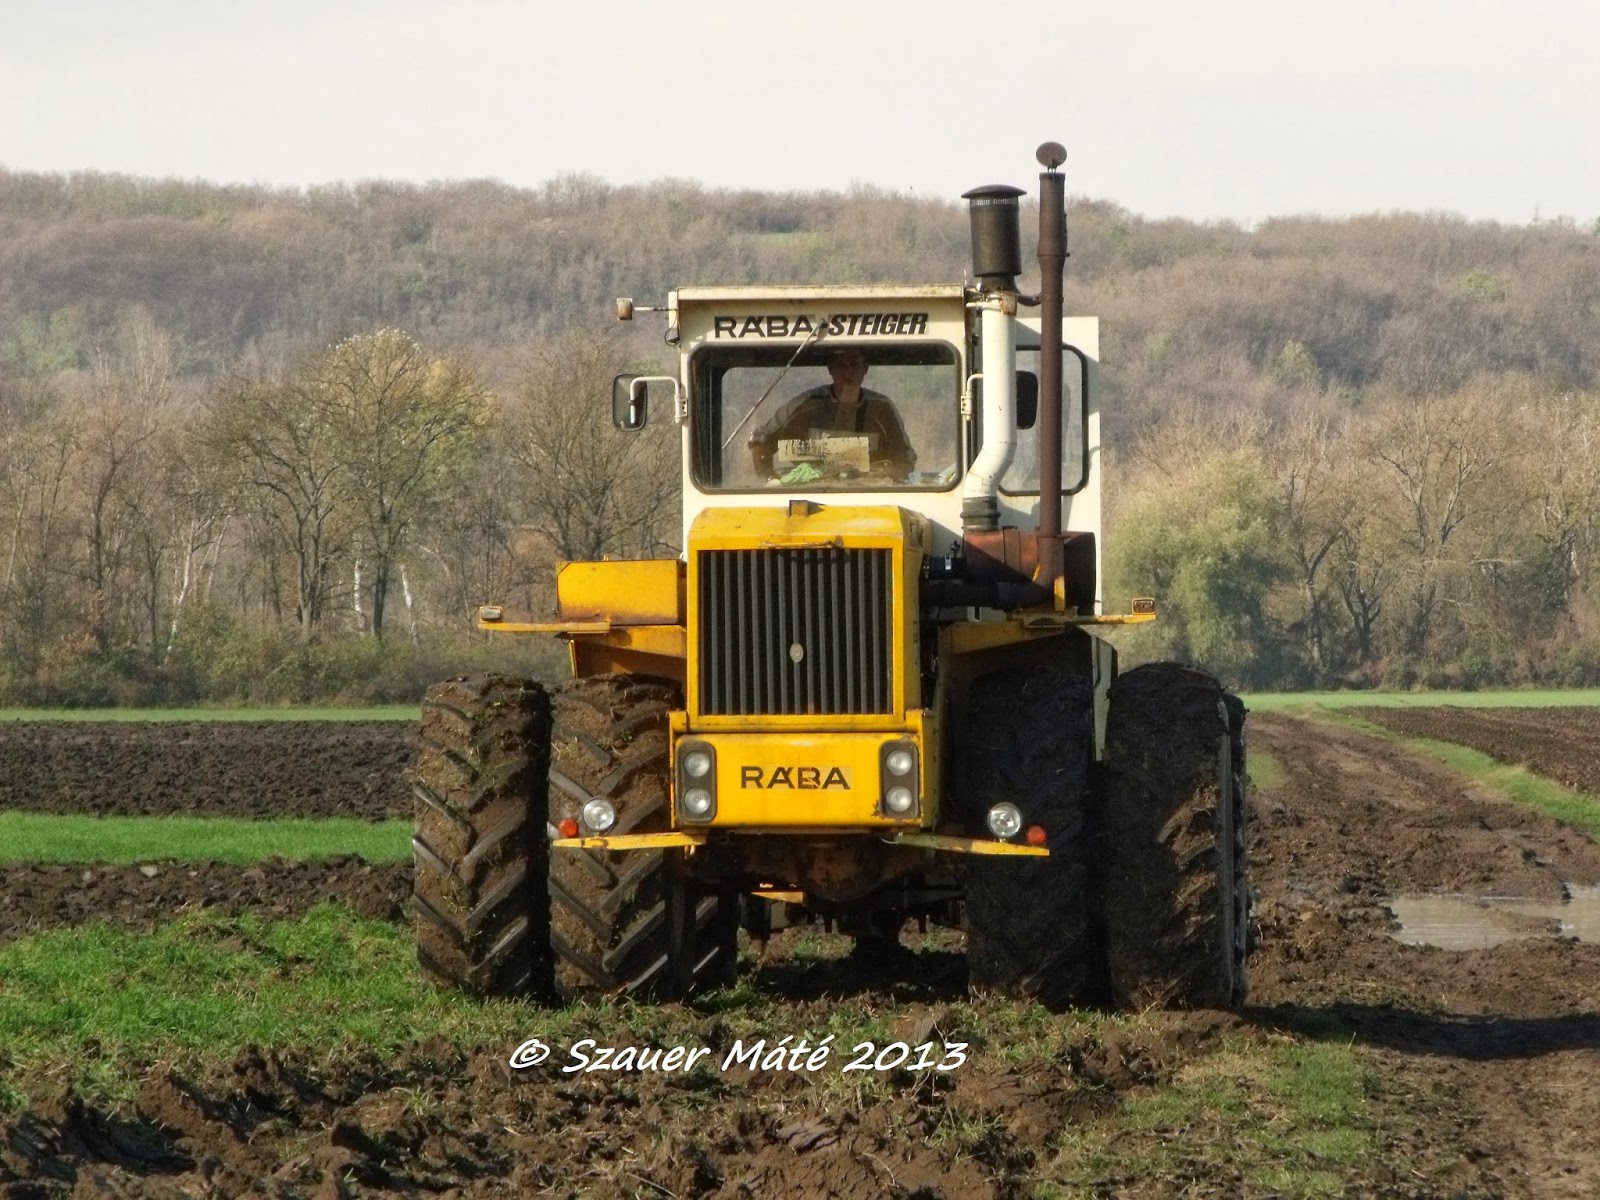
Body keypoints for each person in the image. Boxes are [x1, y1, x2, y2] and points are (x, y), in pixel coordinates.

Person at [747, 347, 916, 480]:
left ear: (865, 369)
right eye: (841, 365)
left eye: (855, 364)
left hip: (867, 498)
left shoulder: (882, 409)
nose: (848, 372)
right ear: (830, 368)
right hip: (812, 496)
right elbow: (760, 441)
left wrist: (883, 477)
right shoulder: (805, 405)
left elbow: (904, 460)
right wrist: (768, 479)